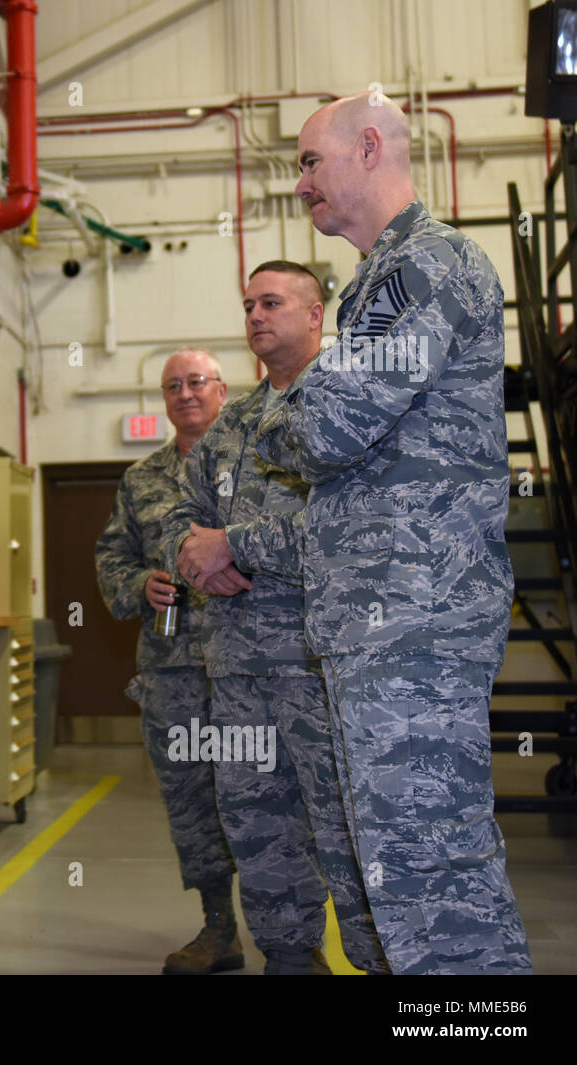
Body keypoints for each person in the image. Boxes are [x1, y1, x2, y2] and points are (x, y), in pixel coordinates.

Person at [255, 92, 531, 973]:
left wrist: (283, 417)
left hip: (413, 618)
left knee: (432, 874)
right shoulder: (383, 277)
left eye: (309, 161)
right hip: (377, 623)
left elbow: (332, 428)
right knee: (387, 873)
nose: (299, 184)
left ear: (369, 147)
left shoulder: (428, 264)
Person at [164, 262, 388, 974]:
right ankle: (290, 958)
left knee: (346, 828)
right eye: (248, 304)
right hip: (237, 671)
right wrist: (192, 553)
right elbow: (179, 514)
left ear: (316, 313)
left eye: (272, 302)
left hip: (325, 666)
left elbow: (351, 529)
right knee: (259, 825)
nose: (256, 315)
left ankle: (380, 964)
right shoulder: (230, 425)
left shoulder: (350, 406)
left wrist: (235, 545)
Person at [95, 349, 241, 975]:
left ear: (222, 389)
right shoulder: (141, 479)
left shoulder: (259, 459)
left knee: (269, 798)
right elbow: (111, 558)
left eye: (197, 382)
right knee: (191, 803)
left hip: (252, 665)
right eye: (173, 385)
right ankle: (219, 930)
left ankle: (296, 940)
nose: (185, 393)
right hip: (173, 669)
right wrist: (137, 587)